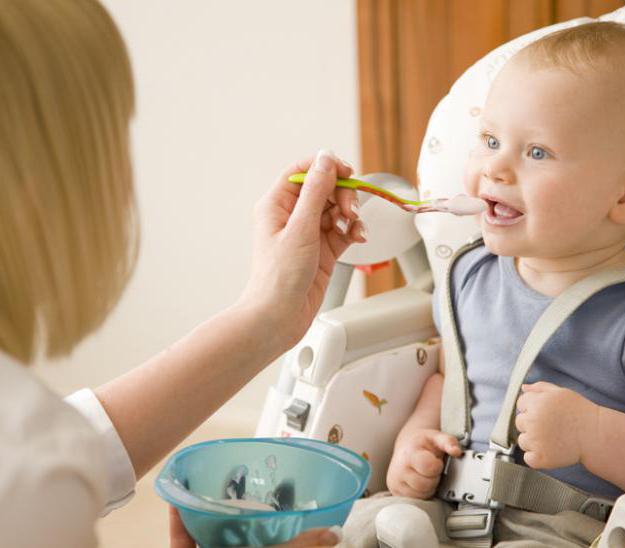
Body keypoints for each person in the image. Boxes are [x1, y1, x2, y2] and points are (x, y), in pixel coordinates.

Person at [0, 0, 365, 546]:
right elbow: (42, 466)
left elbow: (70, 447)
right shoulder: (30, 475)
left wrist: (267, 316)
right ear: (45, 193)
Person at [341, 21, 625, 547]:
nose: (495, 169)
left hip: (563, 526)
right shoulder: (469, 274)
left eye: (536, 153)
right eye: (489, 140)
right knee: (363, 524)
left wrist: (592, 436)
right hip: (446, 506)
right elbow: (449, 378)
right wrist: (415, 438)